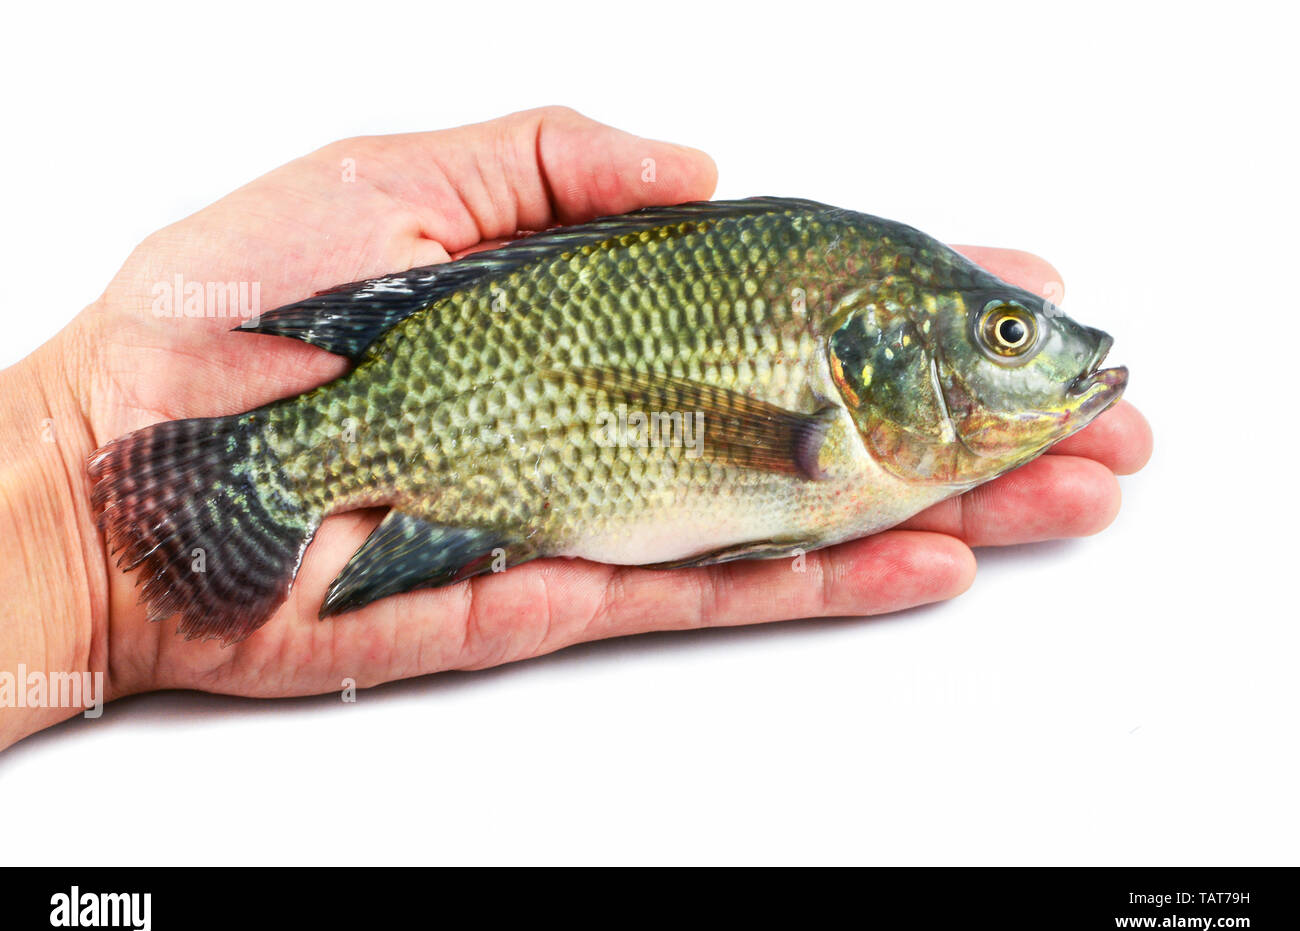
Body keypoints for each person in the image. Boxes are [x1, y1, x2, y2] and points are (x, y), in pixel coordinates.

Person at [0, 107, 1152, 750]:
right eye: (1006, 335)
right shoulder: (830, 423)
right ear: (876, 352)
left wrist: (75, 555)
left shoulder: (856, 403)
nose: (1039, 352)